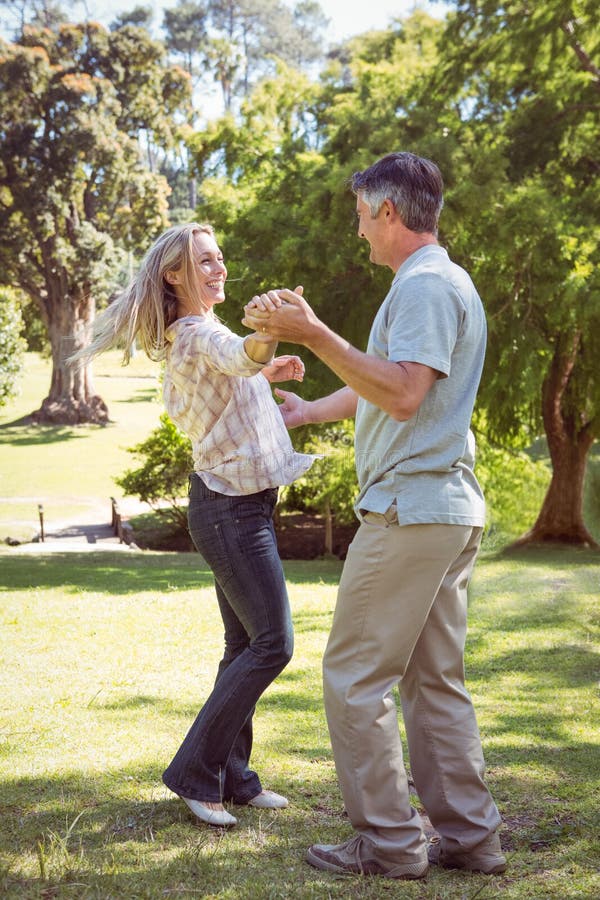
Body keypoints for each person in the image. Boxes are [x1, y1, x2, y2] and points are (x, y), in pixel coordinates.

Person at [242, 152, 505, 878]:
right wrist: (308, 411)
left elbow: (404, 394)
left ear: (388, 212)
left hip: (409, 509)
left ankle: (390, 843)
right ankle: (470, 838)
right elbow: (382, 385)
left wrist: (314, 334)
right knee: (434, 681)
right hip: (445, 509)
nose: (359, 232)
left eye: (361, 218)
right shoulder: (443, 282)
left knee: (355, 675)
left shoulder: (421, 286)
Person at [74, 222, 315, 828]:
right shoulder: (198, 333)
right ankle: (192, 774)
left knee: (243, 646)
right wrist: (265, 338)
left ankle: (234, 778)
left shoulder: (200, 335)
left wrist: (268, 367)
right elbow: (234, 354)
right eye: (203, 261)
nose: (220, 268)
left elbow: (235, 370)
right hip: (230, 510)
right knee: (273, 644)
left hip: (240, 505)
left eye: (220, 258)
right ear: (174, 275)